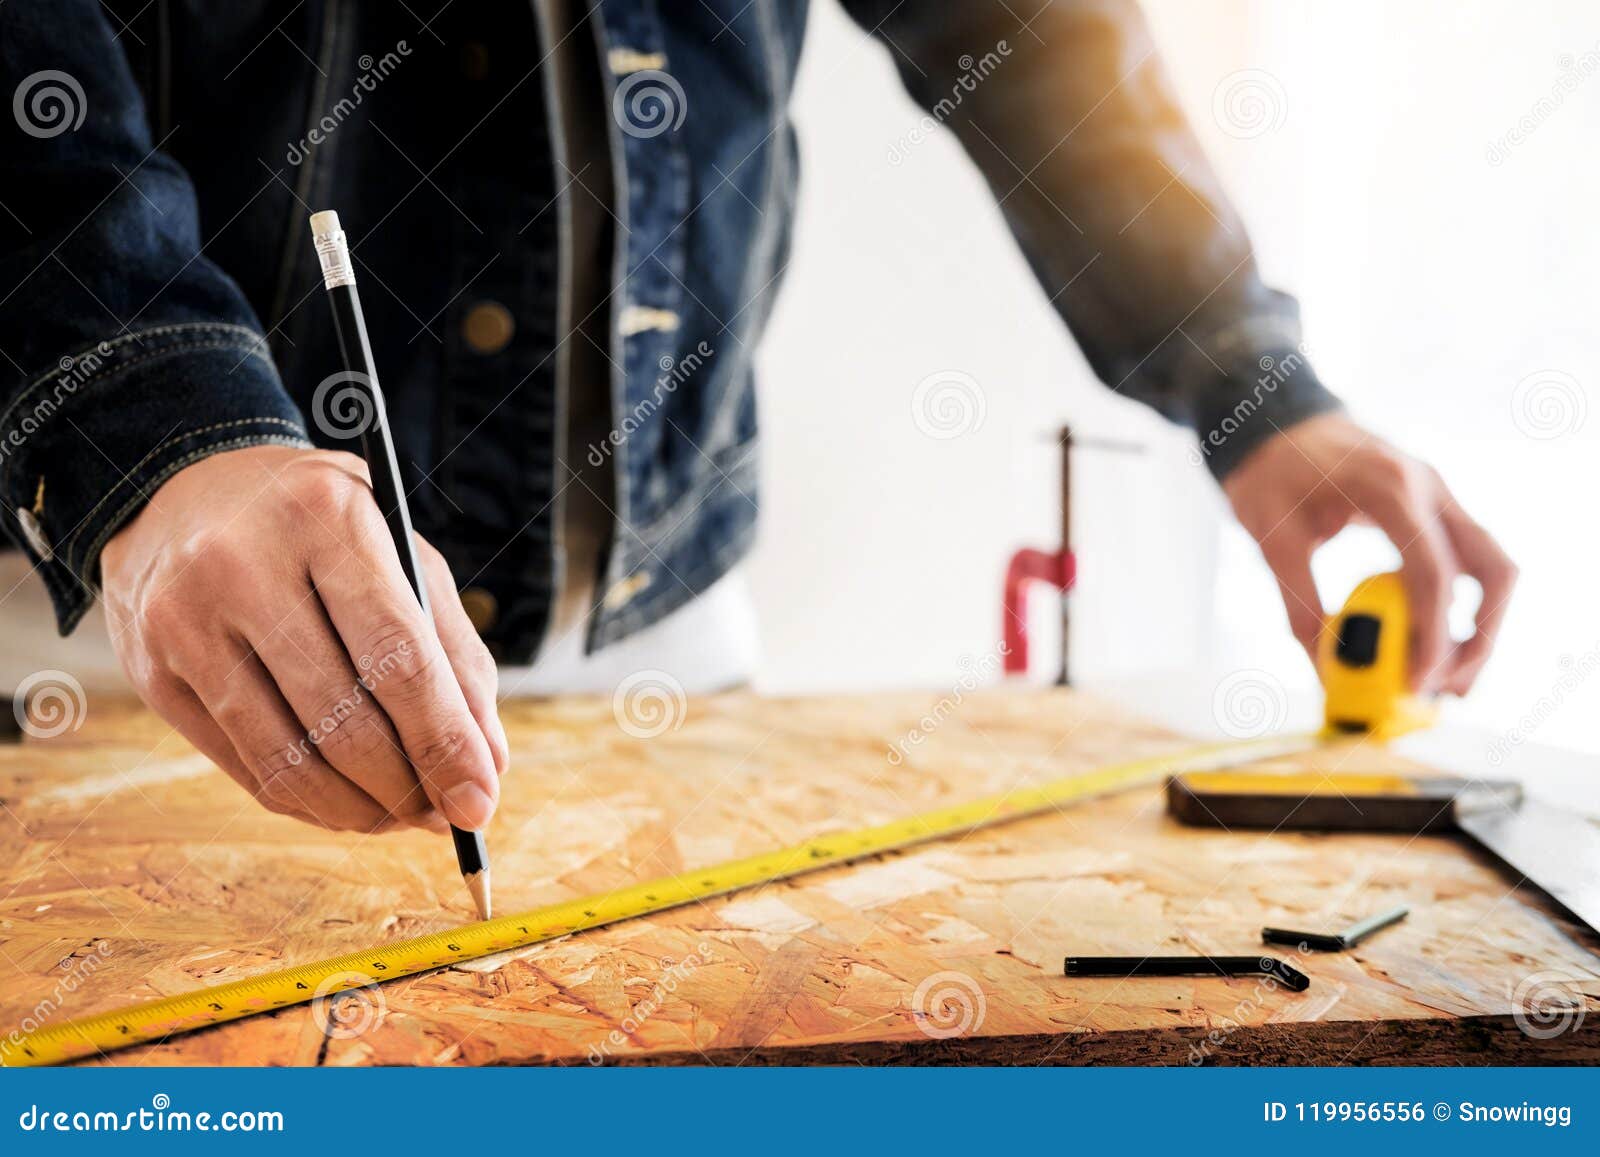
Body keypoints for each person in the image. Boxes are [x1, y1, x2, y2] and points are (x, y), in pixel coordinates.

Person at [0, 2, 1514, 835]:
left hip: (656, 634)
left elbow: (1025, 29)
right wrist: (155, 430)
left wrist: (1247, 375)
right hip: (132, 619)